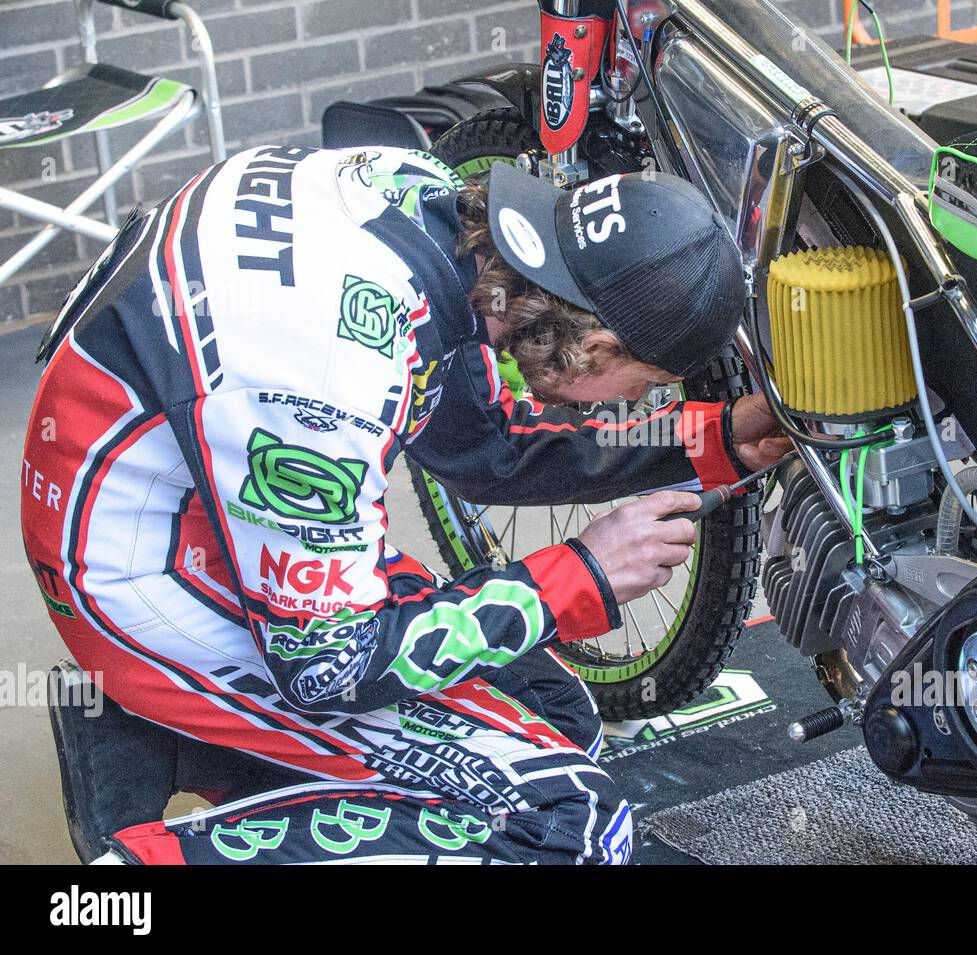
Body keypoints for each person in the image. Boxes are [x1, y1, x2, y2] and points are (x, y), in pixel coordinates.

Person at [20, 145, 788, 864]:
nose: (638, 398)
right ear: (599, 348)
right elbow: (327, 664)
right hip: (142, 575)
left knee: (555, 713)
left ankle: (168, 742)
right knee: (569, 824)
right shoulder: (329, 375)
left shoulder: (430, 208)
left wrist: (709, 440)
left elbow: (482, 446)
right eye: (649, 384)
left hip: (203, 501)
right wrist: (578, 576)